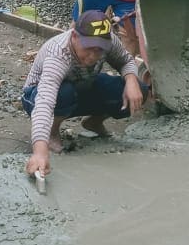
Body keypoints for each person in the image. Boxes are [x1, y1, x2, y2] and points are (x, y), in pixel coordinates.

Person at [23, 10, 146, 176]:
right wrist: (39, 151)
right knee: (63, 93)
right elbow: (45, 102)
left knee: (139, 89)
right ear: (74, 36)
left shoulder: (109, 41)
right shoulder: (58, 54)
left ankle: (93, 123)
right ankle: (52, 132)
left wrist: (131, 80)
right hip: (36, 96)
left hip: (83, 86)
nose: (93, 56)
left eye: (99, 50)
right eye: (88, 48)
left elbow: (125, 60)